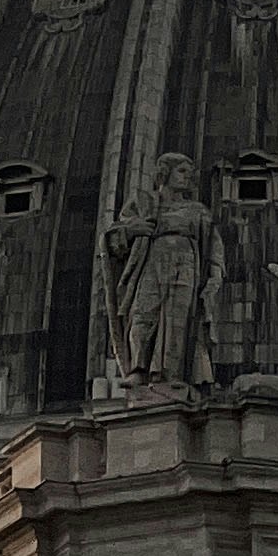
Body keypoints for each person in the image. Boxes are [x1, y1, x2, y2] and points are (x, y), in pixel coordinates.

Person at [104, 152, 224, 388]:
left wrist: (215, 273)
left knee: (179, 319)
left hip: (186, 264)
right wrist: (131, 231)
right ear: (164, 173)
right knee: (142, 312)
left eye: (190, 173)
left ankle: (171, 375)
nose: (187, 177)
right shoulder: (142, 203)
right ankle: (138, 369)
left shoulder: (197, 210)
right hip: (152, 261)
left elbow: (214, 245)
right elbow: (112, 240)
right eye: (182, 171)